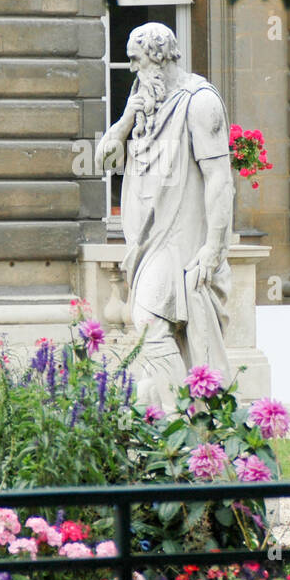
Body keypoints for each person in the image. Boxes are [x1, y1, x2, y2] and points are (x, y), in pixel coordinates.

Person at [94, 22, 234, 410]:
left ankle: (185, 415)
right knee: (155, 329)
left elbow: (220, 179)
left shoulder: (199, 101)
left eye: (136, 61)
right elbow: (103, 159)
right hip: (147, 240)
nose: (134, 70)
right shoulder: (144, 99)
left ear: (157, 57)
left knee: (149, 323)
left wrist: (213, 248)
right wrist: (124, 121)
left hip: (181, 239)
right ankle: (183, 411)